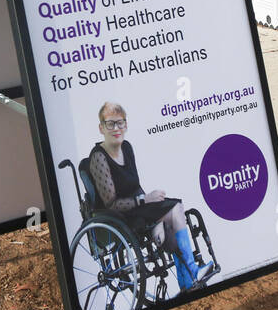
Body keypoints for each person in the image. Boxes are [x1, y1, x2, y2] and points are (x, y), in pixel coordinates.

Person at [87, 102, 214, 292]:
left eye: (120, 123)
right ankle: (191, 273)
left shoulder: (127, 147)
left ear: (126, 125)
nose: (116, 128)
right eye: (110, 124)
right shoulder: (98, 157)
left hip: (137, 206)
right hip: (119, 216)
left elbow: (135, 186)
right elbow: (111, 204)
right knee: (172, 211)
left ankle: (188, 279)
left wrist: (152, 202)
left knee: (174, 208)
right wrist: (145, 201)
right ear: (101, 128)